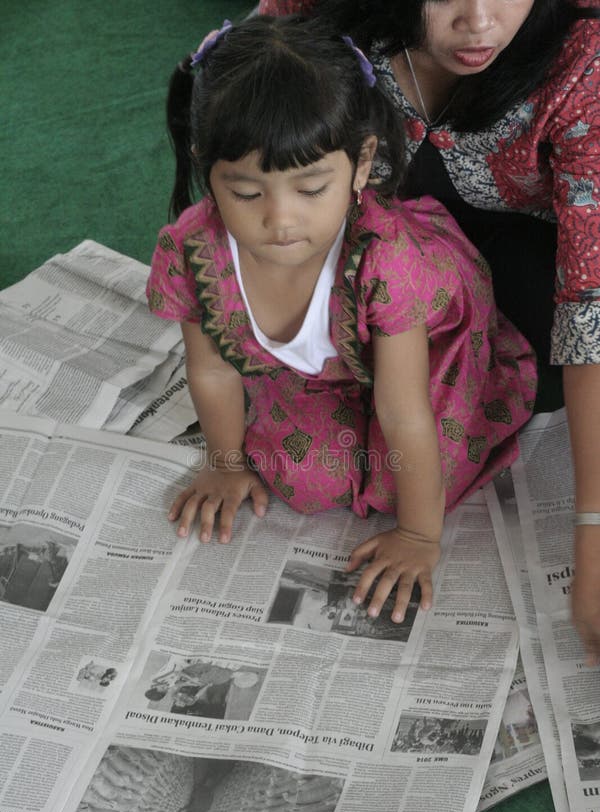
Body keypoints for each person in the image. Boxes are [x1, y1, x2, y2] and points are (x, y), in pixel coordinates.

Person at [146, 15, 535, 624]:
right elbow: (214, 373)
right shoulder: (190, 252)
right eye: (247, 193)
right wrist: (223, 464)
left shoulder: (388, 262)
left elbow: (404, 411)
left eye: (311, 189)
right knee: (303, 479)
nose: (280, 221)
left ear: (361, 165)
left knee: (398, 478)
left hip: (428, 358)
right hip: (340, 372)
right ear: (206, 167)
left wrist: (418, 537)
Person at [256, 1, 600, 662]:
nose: (478, 21)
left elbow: (590, 296)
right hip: (370, 234)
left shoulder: (584, 53)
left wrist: (593, 530)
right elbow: (245, 117)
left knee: (551, 377)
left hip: (533, 248)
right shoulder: (312, 12)